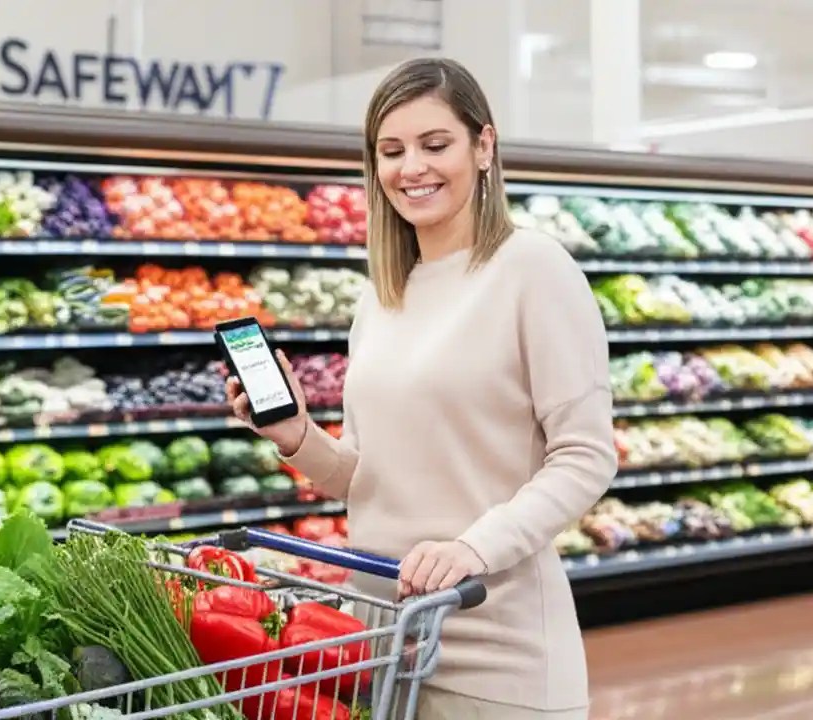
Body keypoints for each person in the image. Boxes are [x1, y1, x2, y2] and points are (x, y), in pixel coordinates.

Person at [226, 57, 615, 719]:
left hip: (497, 651)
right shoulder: (381, 298)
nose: (413, 168)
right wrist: (297, 436)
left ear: (483, 146)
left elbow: (586, 456)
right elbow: (365, 478)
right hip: (381, 643)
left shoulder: (532, 269)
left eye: (436, 145)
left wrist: (473, 548)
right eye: (392, 151)